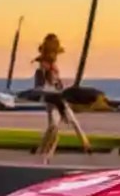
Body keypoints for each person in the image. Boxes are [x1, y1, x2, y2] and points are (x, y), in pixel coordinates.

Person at [32, 34, 91, 163]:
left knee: (71, 122)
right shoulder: (42, 68)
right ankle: (42, 151)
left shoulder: (53, 67)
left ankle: (86, 146)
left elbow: (57, 83)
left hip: (58, 97)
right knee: (54, 125)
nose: (55, 56)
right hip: (51, 99)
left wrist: (61, 86)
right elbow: (40, 85)